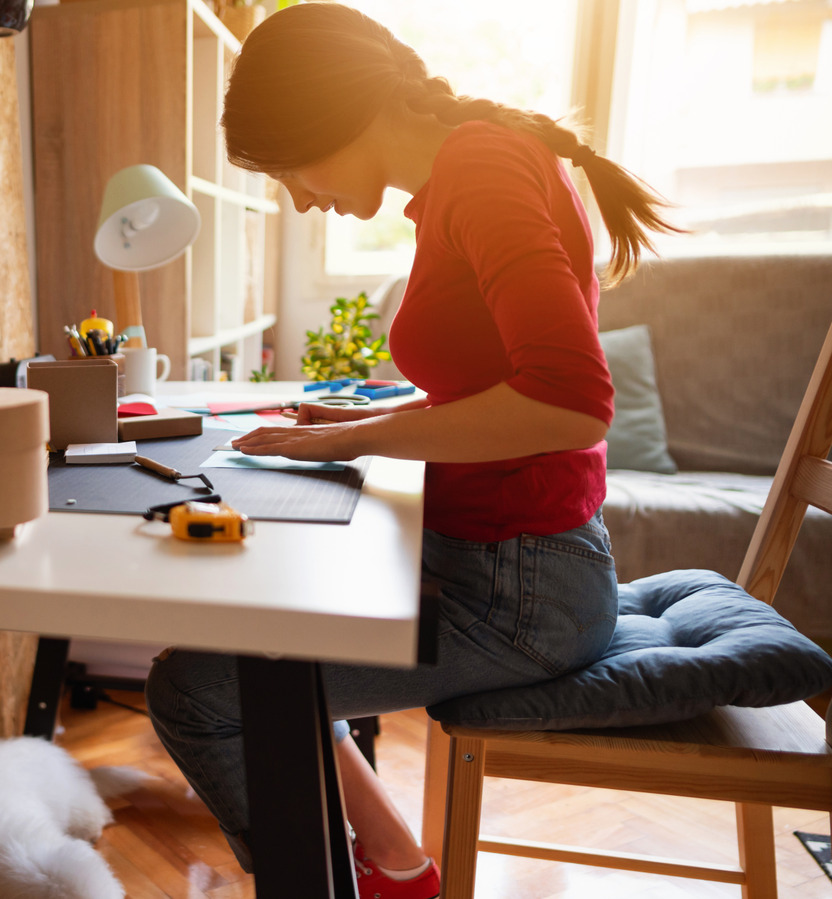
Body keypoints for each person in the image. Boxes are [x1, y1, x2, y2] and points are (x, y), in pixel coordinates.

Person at [143, 4, 681, 898]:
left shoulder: (482, 168)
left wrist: (358, 435)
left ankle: (330, 879)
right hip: (512, 567)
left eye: (288, 170)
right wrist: (367, 411)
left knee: (193, 691)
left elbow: (571, 403)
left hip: (521, 599)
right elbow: (492, 386)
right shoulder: (467, 173)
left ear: (330, 116)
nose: (299, 198)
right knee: (260, 624)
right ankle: (395, 864)